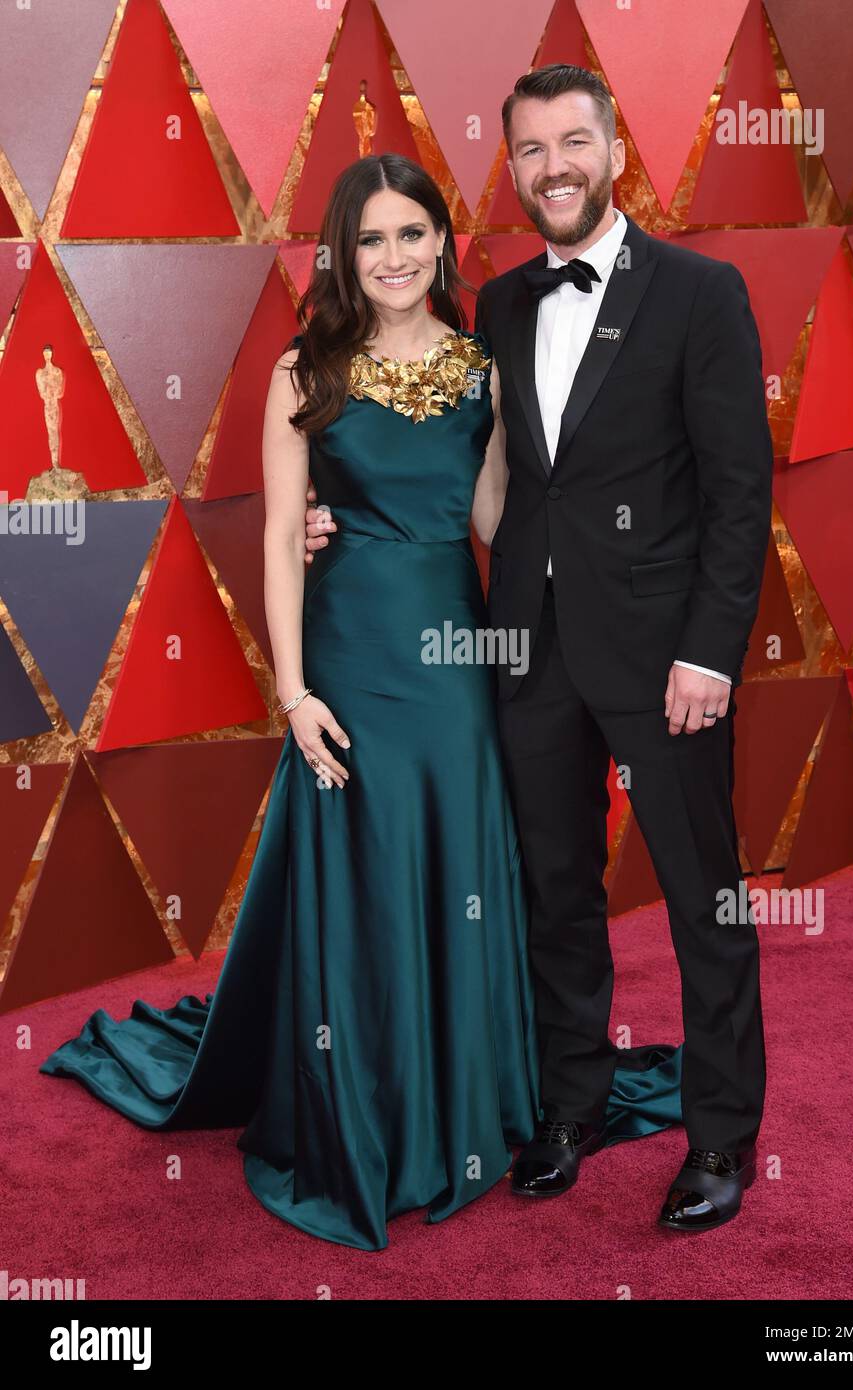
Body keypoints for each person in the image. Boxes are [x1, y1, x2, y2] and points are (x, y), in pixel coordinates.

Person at [38, 152, 683, 1253]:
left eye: (412, 234)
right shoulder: (305, 372)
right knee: (373, 863)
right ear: (345, 252)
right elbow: (283, 550)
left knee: (466, 861)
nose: (393, 257)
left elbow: (490, 518)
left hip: (458, 652)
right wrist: (292, 694)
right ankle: (377, 1105)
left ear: (442, 242)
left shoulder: (485, 365)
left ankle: (470, 1102)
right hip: (349, 658)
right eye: (371, 239)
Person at [306, 66, 773, 1233]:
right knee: (554, 892)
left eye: (574, 142)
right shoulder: (501, 307)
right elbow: (451, 462)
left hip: (668, 661)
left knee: (701, 896)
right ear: (510, 167)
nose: (554, 166)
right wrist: (336, 515)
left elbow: (738, 489)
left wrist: (710, 652)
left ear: (613, 146)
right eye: (530, 150)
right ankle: (570, 1103)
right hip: (523, 651)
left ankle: (723, 1135)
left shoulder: (703, 292)